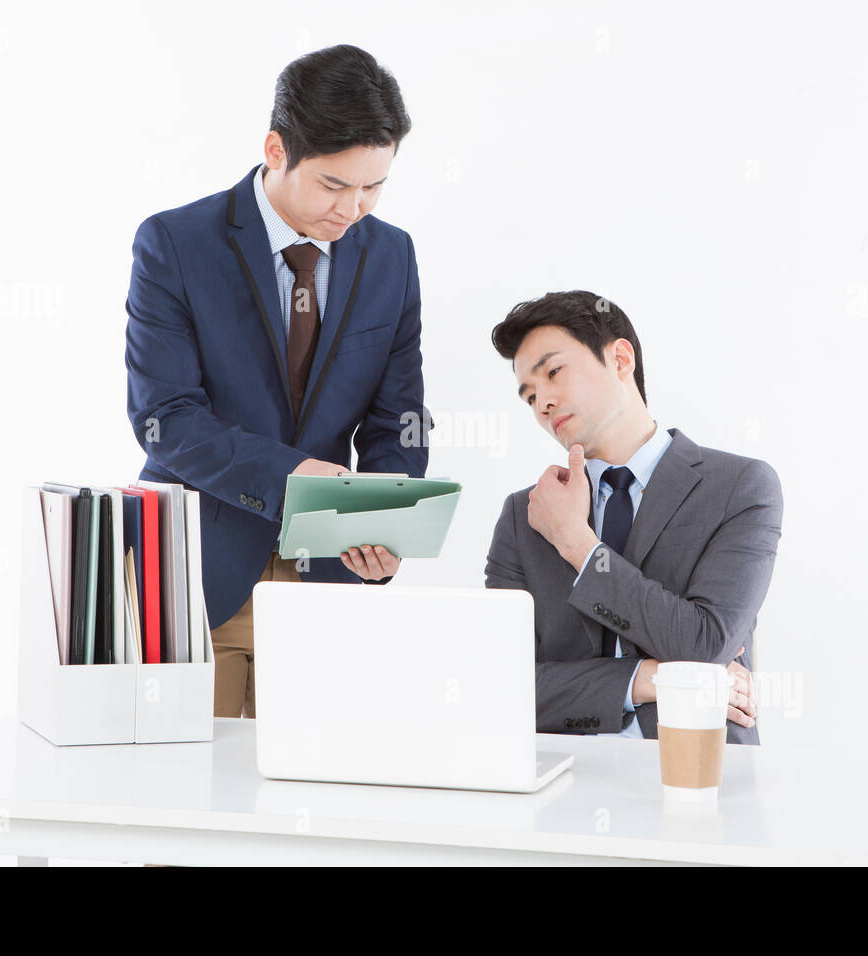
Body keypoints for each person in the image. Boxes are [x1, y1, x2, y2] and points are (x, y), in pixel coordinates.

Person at [125, 45, 429, 719]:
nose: (353, 209)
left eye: (373, 186)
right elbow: (165, 419)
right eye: (332, 185)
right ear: (275, 149)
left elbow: (397, 418)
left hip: (328, 584)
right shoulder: (176, 244)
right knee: (192, 804)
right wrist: (297, 478)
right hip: (198, 579)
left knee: (318, 805)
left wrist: (385, 521)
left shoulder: (391, 256)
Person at [484, 291, 782, 743]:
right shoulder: (523, 515)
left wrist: (574, 543)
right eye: (529, 396)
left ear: (621, 359)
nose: (542, 401)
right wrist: (646, 679)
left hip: (698, 777)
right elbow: (503, 688)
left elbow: (703, 647)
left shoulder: (738, 487)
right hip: (561, 787)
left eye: (553, 372)